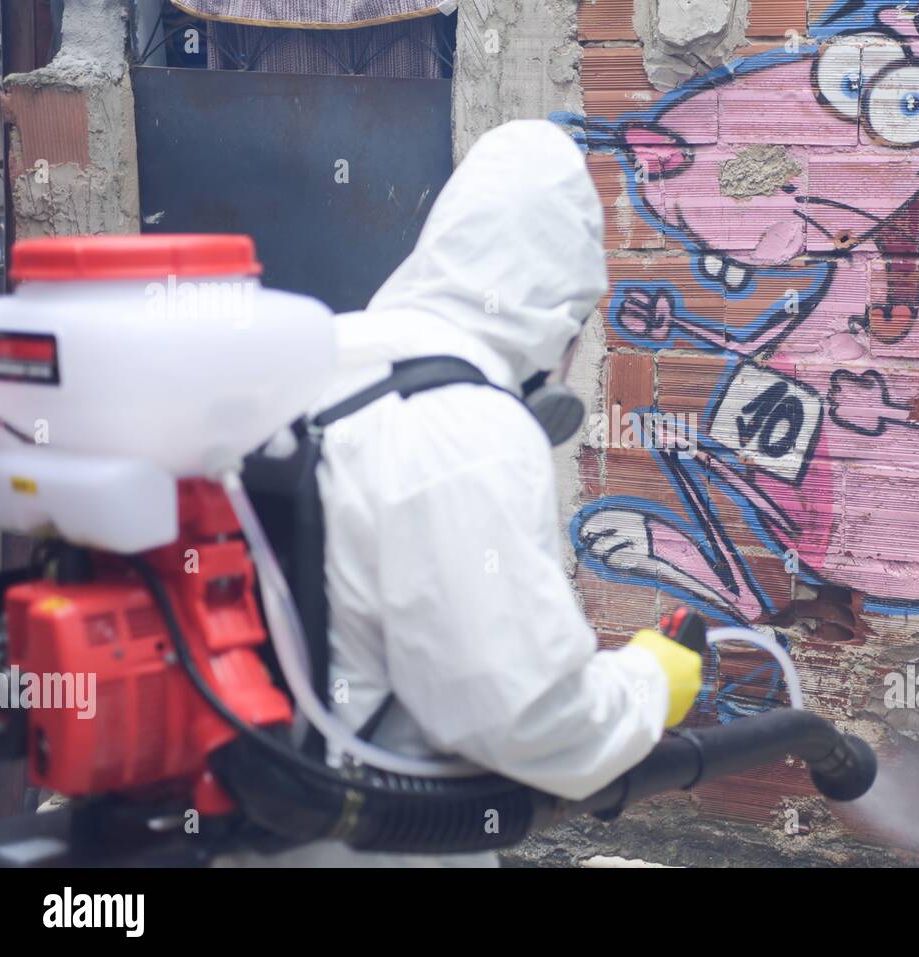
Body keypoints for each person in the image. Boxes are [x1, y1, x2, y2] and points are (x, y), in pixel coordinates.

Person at [221, 120, 701, 867]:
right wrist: (649, 683)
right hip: (376, 844)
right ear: (559, 320)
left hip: (250, 820)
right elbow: (525, 715)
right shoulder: (469, 429)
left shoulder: (320, 361)